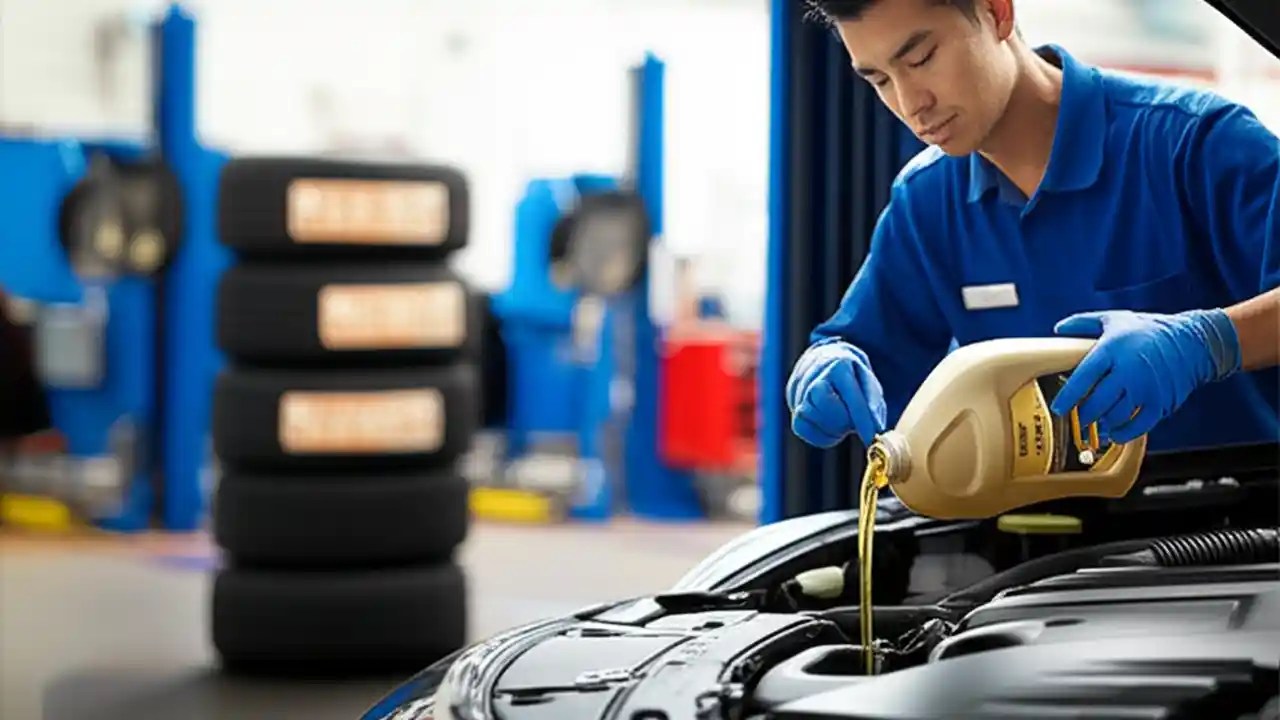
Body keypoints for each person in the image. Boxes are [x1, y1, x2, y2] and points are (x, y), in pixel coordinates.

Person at [787, 0, 1280, 454]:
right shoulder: (926, 202)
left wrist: (1206, 344)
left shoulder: (1195, 143)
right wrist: (828, 367)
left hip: (1236, 527)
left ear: (997, 11)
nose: (911, 103)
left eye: (921, 60)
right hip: (1043, 532)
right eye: (880, 80)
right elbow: (861, 347)